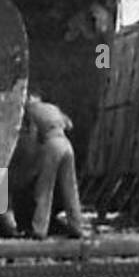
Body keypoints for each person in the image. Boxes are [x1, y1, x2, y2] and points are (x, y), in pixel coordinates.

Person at [24, 91, 84, 239]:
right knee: (70, 188)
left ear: (30, 98)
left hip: (51, 145)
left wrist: (32, 161)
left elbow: (32, 136)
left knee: (44, 188)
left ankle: (39, 230)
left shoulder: (30, 110)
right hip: (66, 144)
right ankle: (76, 227)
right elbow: (69, 124)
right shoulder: (53, 107)